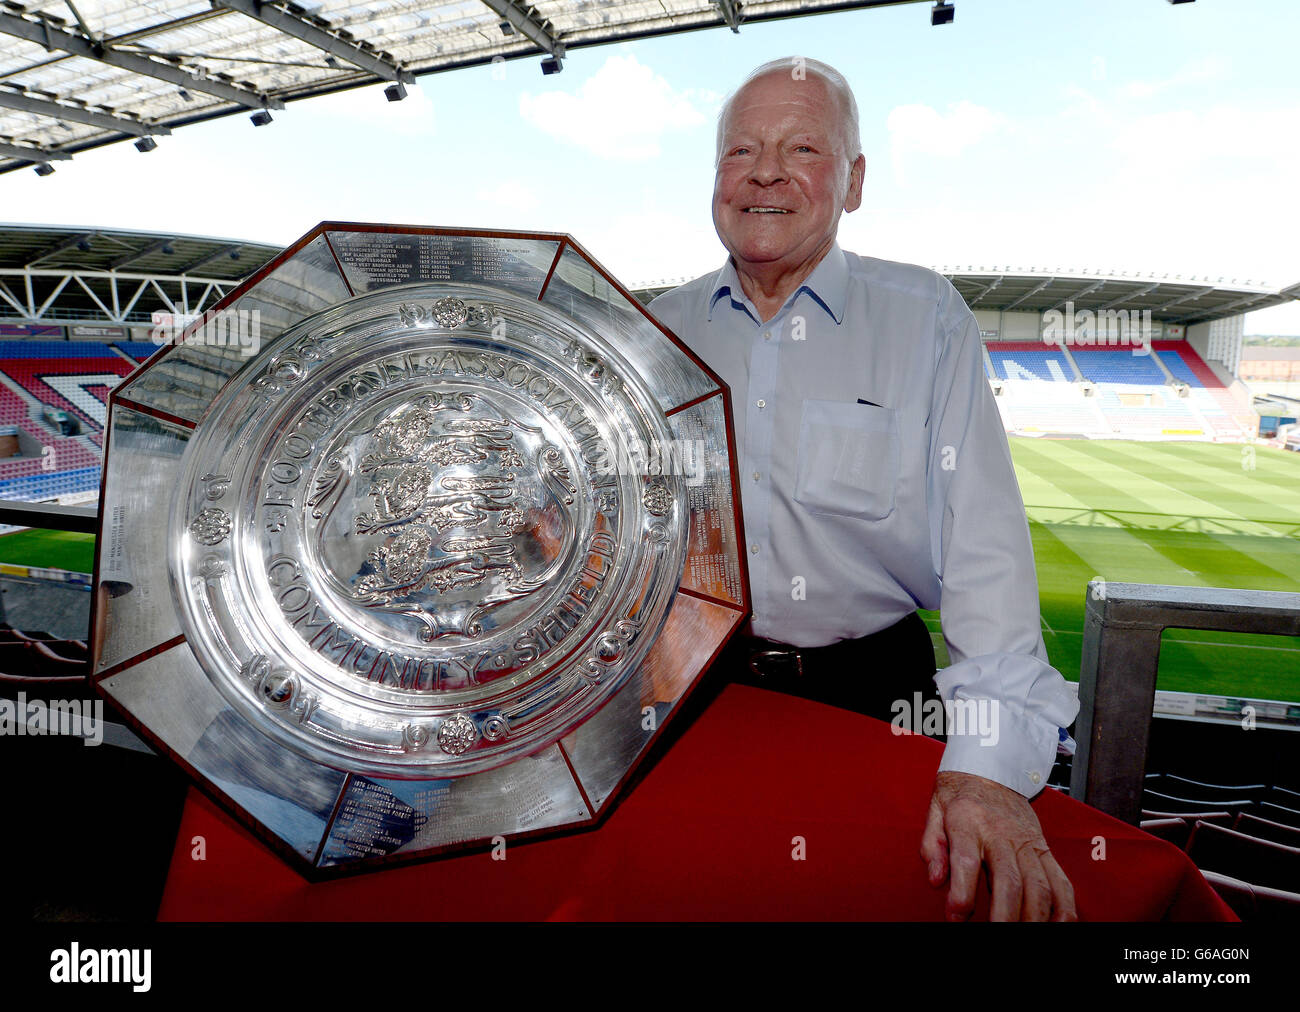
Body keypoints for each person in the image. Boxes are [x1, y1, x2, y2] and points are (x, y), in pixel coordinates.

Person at [649, 57, 1080, 922]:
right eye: (741, 151)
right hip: (695, 694)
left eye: (801, 146)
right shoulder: (660, 325)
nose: (765, 171)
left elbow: (985, 555)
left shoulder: (926, 318)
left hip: (876, 698)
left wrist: (985, 771)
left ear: (853, 182)